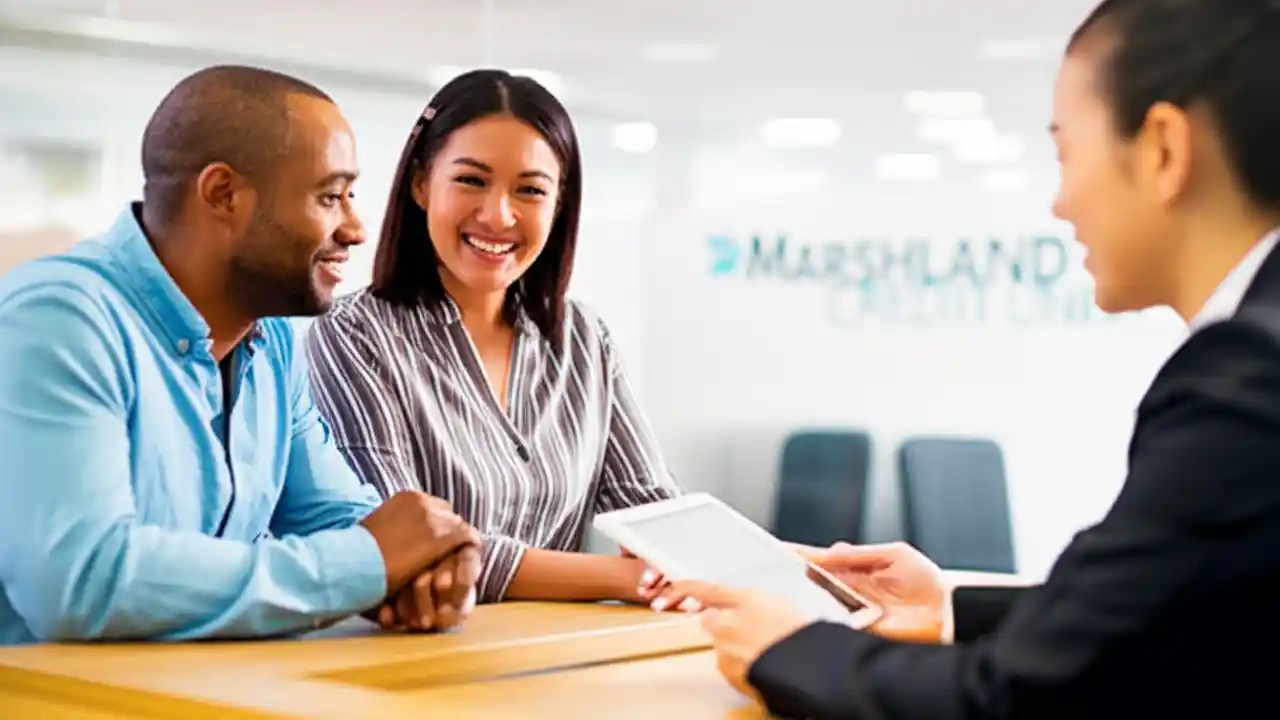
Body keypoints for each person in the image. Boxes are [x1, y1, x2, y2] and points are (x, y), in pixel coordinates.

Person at [659, 0, 1280, 716]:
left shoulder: (1246, 376)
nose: (1060, 203)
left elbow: (1019, 700)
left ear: (1165, 149)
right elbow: (1167, 605)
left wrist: (790, 649)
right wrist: (951, 603)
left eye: (1065, 153)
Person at [0, 65, 483, 645]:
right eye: (330, 196)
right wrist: (368, 565)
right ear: (223, 194)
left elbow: (343, 520)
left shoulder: (270, 340)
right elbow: (79, 583)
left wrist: (426, 567)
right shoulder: (58, 318)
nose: (356, 229)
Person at [305, 69, 682, 607]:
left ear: (558, 204)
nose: (498, 215)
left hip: (563, 660)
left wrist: (803, 566)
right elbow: (406, 542)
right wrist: (629, 579)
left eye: (530, 190)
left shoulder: (583, 340)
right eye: (471, 181)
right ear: (419, 184)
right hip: (420, 661)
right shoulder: (354, 335)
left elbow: (656, 513)